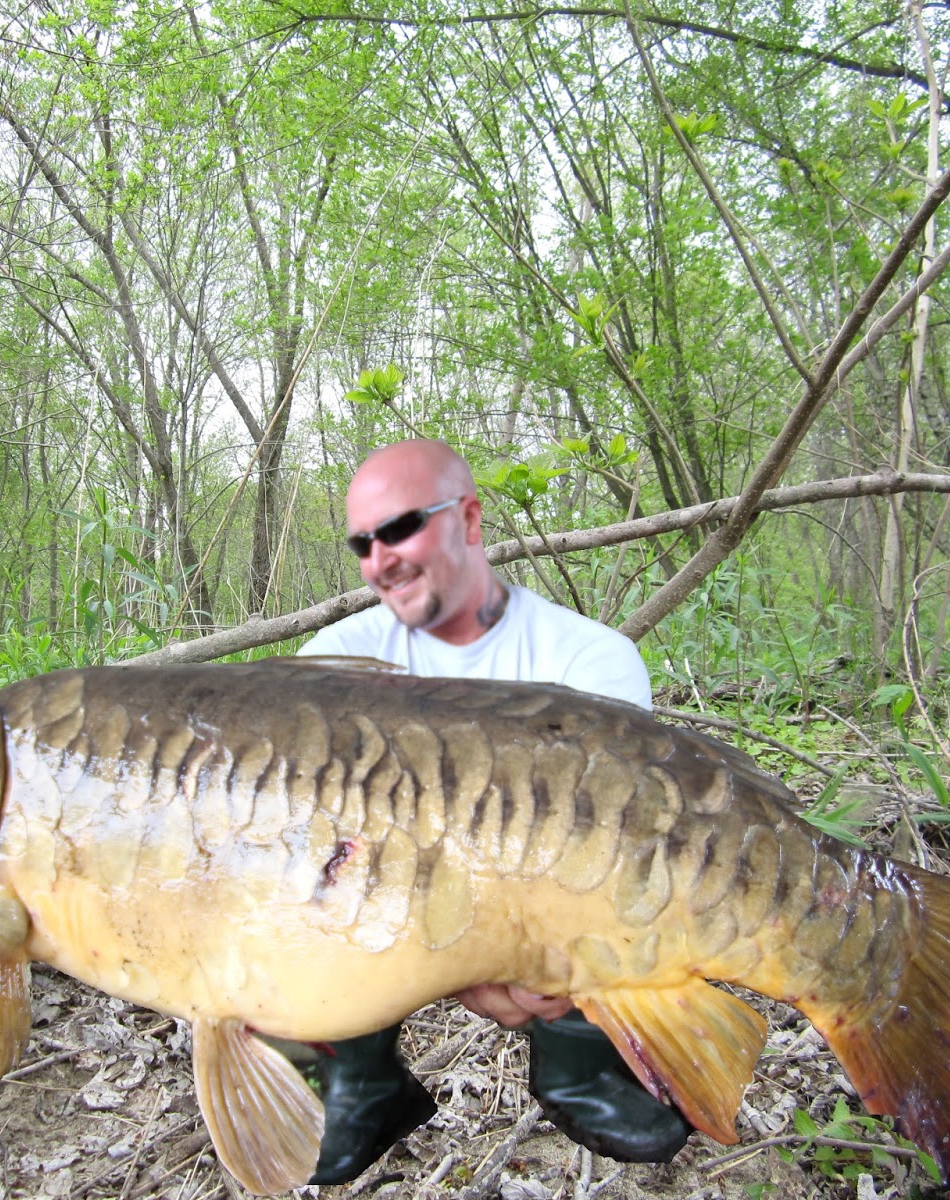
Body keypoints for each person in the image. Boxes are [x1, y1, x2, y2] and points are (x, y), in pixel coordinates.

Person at [296, 438, 692, 1184]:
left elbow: (611, 845)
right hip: (391, 906)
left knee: (615, 873)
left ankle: (582, 1068)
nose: (381, 559)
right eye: (363, 543)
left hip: (541, 901)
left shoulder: (589, 658)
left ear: (471, 520)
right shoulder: (332, 663)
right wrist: (451, 969)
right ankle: (356, 1082)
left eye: (401, 527)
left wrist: (505, 958)